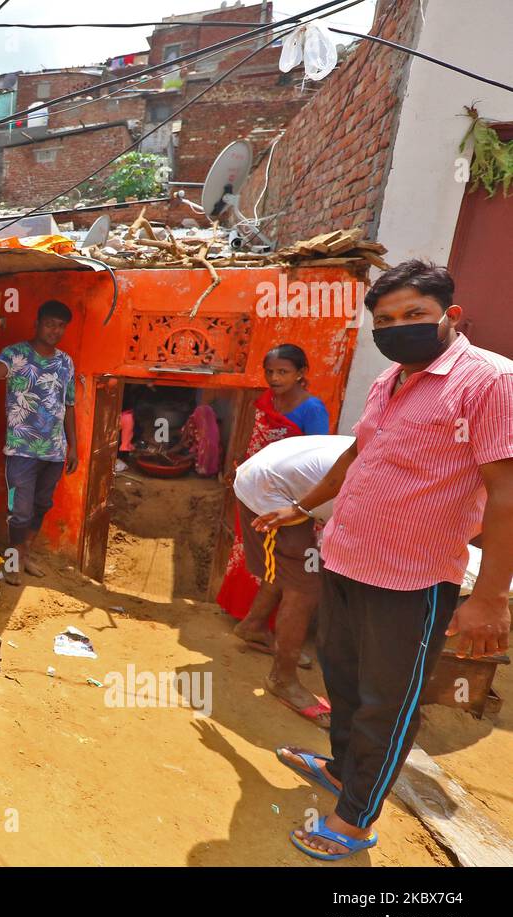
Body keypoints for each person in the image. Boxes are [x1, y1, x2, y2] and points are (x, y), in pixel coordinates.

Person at [256, 261, 513, 861]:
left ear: (449, 315)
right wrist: (302, 506)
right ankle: (344, 773)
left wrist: (491, 596)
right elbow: (357, 457)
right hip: (347, 556)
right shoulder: (391, 379)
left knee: (387, 701)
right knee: (343, 678)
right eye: (386, 320)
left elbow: (505, 491)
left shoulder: (490, 381)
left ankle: (354, 821)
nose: (399, 328)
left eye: (414, 316)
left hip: (413, 575)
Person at [234, 433, 355, 727]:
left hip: (276, 473)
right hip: (270, 488)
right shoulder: (377, 483)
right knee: (306, 586)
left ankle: (254, 625)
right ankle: (283, 679)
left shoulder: (383, 460)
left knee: (294, 566)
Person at [217, 344, 329, 630]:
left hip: (290, 497)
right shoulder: (266, 400)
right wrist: (239, 466)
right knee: (249, 551)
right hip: (256, 489)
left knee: (284, 560)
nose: (275, 378)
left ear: (301, 373)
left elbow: (315, 456)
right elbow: (255, 439)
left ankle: (267, 625)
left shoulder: (312, 409)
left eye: (283, 372)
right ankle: (243, 614)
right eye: (270, 372)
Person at [0, 299, 79, 586]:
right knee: (19, 510)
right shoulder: (15, 355)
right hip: (20, 450)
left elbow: (70, 405)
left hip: (54, 451)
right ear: (37, 324)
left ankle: (24, 554)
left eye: (61, 326)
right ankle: (12, 560)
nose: (55, 330)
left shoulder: (66, 362)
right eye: (50, 324)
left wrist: (73, 445)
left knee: (41, 505)